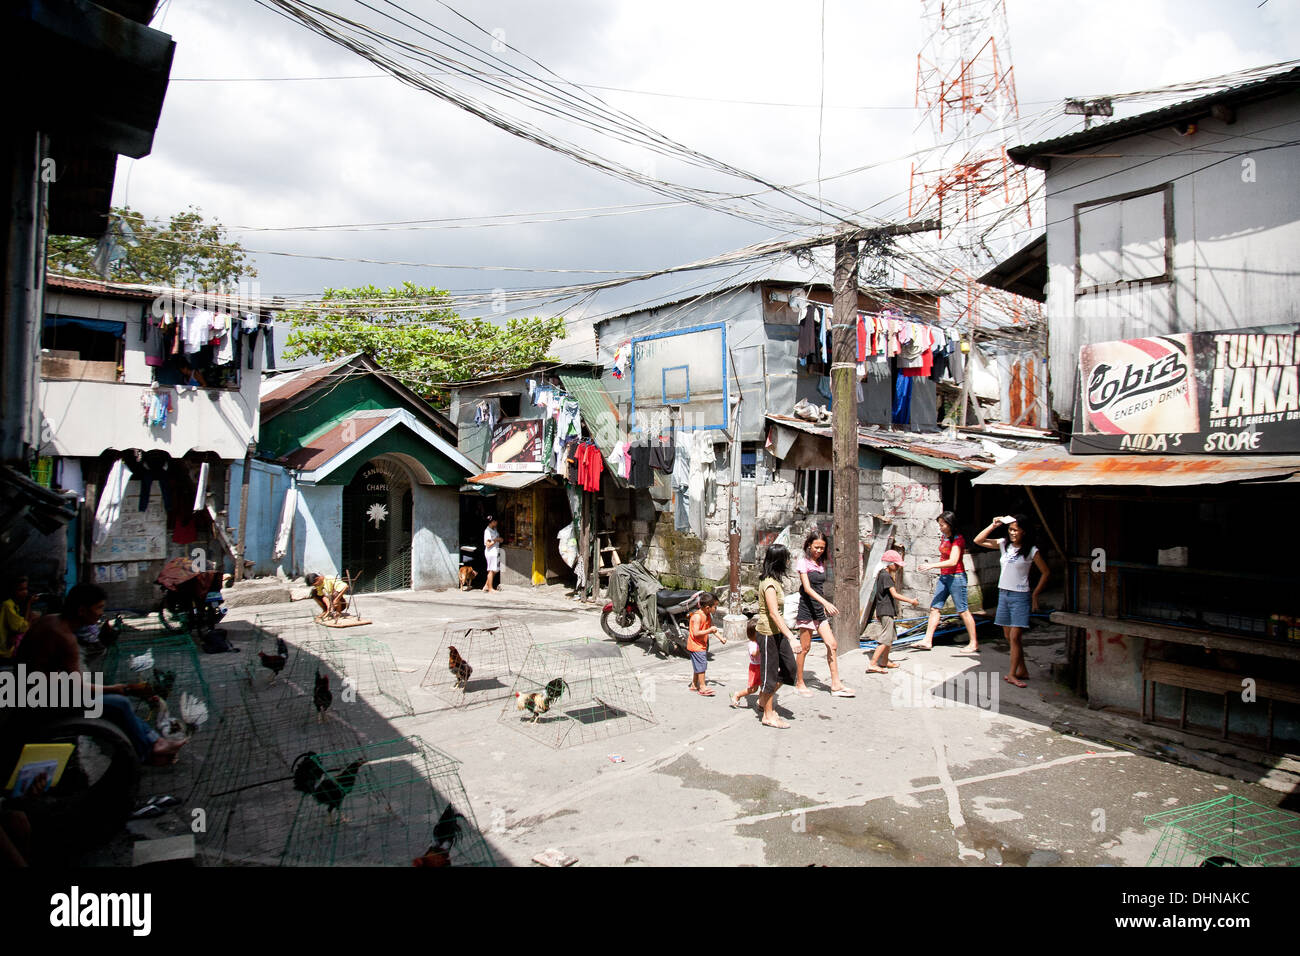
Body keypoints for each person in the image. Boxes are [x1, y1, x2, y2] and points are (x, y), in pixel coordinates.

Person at [15, 584, 184, 765]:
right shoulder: (66, 638)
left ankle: (155, 741)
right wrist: (121, 688)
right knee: (120, 704)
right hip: (43, 702)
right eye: (99, 608)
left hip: (27, 691)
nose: (100, 613)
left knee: (117, 702)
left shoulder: (48, 620)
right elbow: (79, 688)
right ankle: (149, 750)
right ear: (81, 610)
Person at [974, 514, 1050, 688]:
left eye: (1016, 530)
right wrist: (993, 525)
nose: (1013, 533)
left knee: (1015, 636)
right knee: (1009, 636)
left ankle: (1012, 674)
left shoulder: (1031, 551)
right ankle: (1021, 669)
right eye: (1010, 529)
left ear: (1024, 531)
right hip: (1004, 594)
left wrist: (1035, 594)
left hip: (1020, 595)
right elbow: (978, 540)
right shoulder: (1003, 545)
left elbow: (1046, 572)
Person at [793, 531, 854, 697]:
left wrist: (823, 604)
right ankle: (799, 682)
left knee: (832, 644)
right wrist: (826, 602)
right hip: (807, 609)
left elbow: (819, 587)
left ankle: (835, 684)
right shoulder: (803, 562)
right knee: (804, 648)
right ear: (809, 545)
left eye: (822, 547)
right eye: (816, 547)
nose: (819, 550)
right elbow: (807, 588)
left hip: (819, 611)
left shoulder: (821, 563)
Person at [915, 511, 980, 652]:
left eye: (942, 524)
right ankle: (927, 640)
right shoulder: (945, 537)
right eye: (939, 524)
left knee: (962, 610)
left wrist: (931, 565)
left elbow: (953, 561)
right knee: (935, 608)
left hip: (956, 577)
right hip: (944, 577)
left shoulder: (958, 539)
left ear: (950, 524)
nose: (940, 527)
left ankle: (973, 643)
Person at [755, 544, 799, 729]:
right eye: (787, 558)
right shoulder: (770, 585)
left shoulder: (775, 581)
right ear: (780, 561)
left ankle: (763, 699)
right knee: (770, 675)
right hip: (768, 634)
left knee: (790, 670)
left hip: (778, 632)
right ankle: (768, 715)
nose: (789, 562)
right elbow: (773, 613)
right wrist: (791, 636)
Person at [867, 550, 922, 674]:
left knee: (890, 637)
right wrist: (911, 601)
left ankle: (884, 661)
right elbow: (894, 594)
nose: (897, 568)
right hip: (886, 611)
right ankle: (873, 663)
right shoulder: (886, 576)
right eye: (896, 565)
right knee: (886, 638)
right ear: (889, 564)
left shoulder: (882, 575)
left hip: (886, 610)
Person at [686, 592, 724, 696]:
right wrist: (709, 630)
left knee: (698, 666)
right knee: (702, 666)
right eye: (715, 607)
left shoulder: (707, 615)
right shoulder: (697, 617)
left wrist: (721, 638)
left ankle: (694, 684)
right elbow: (696, 633)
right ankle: (702, 687)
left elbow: (713, 628)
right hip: (696, 646)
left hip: (700, 645)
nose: (716, 609)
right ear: (708, 607)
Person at [0, 576, 38, 658]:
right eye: (21, 590)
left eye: (25, 589)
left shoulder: (14, 605)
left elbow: (23, 624)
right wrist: (29, 605)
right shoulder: (8, 605)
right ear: (12, 591)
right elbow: (22, 628)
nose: (25, 592)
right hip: (6, 651)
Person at [729, 618, 762, 709]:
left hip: (763, 666)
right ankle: (737, 695)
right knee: (753, 689)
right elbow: (754, 654)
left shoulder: (760, 642)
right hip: (755, 668)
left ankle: (761, 702)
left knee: (764, 686)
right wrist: (760, 648)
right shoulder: (752, 644)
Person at [483, 516, 503, 593]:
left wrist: (499, 539)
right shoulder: (487, 531)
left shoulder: (494, 530)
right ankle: (490, 588)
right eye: (495, 521)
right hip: (490, 552)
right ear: (492, 522)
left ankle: (486, 586)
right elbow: (488, 544)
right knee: (491, 570)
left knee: (495, 570)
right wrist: (496, 540)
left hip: (495, 551)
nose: (497, 523)